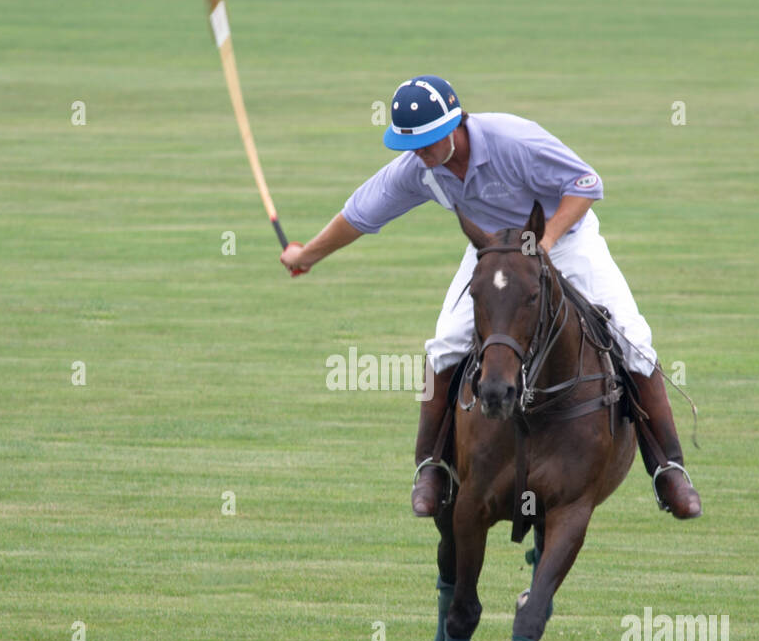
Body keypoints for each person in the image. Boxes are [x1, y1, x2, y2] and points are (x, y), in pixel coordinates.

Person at [279, 75, 701, 520]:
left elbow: (586, 184)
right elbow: (361, 213)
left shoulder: (513, 141)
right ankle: (432, 466)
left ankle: (668, 469)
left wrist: (545, 243)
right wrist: (307, 254)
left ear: (456, 124)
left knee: (632, 340)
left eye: (428, 141)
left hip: (567, 240)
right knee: (444, 345)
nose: (421, 154)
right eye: (413, 146)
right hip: (493, 252)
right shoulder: (419, 168)